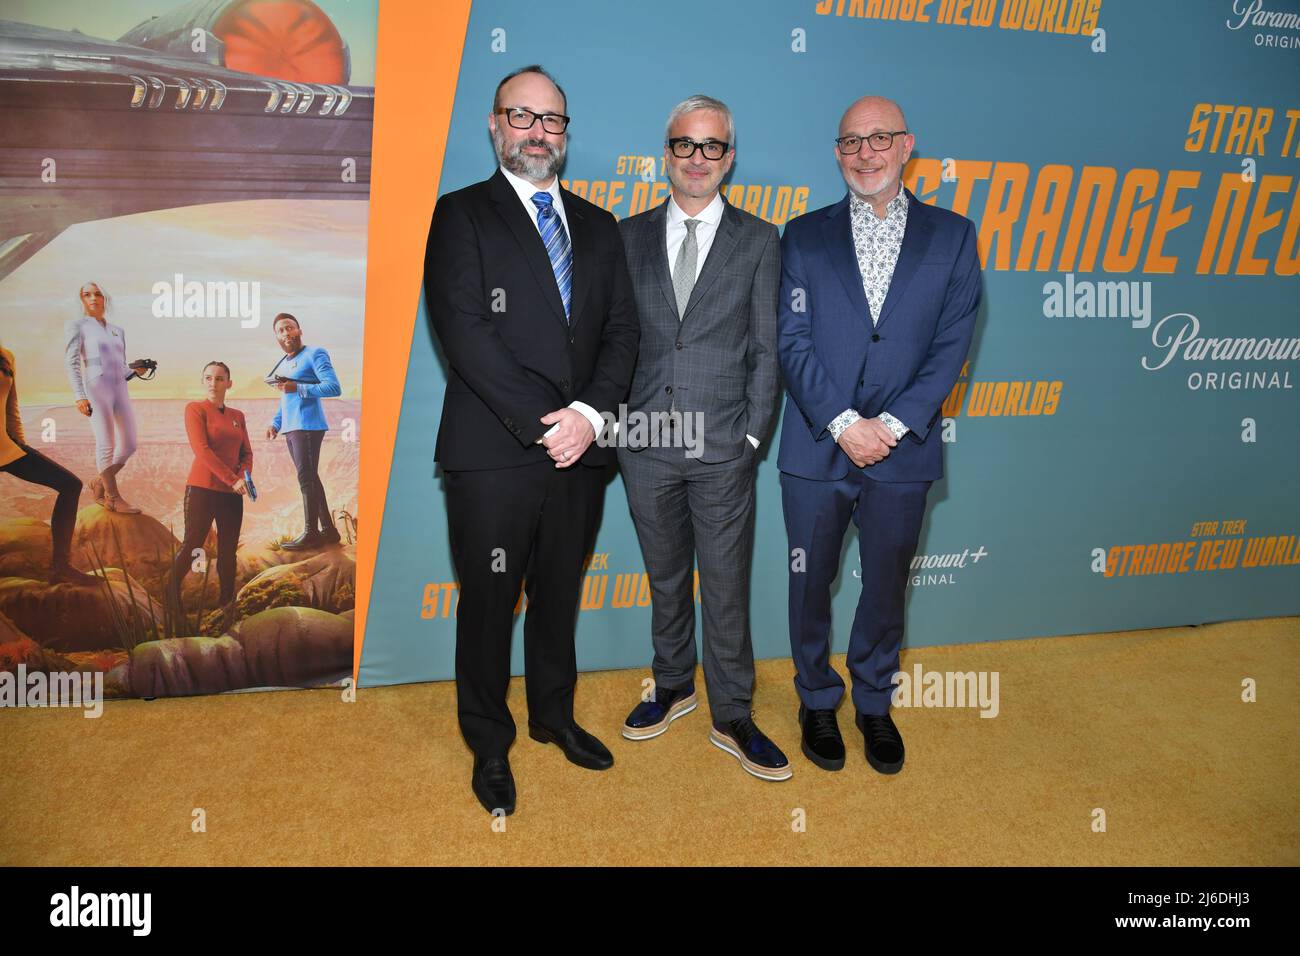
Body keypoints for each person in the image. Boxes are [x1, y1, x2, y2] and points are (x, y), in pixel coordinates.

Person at [423, 64, 639, 816]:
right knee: (489, 601)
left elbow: (621, 335)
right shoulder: (461, 216)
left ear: (565, 134)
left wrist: (587, 417)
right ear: (494, 125)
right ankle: (489, 743)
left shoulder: (600, 225)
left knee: (558, 596)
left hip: (582, 452)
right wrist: (548, 423)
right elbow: (466, 335)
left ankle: (553, 714)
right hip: (495, 452)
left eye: (552, 120)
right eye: (523, 116)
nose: (538, 132)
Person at [776, 96, 980, 775]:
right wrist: (842, 423)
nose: (866, 152)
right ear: (837, 154)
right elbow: (792, 338)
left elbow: (952, 343)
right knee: (810, 583)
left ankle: (872, 703)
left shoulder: (952, 236)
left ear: (906, 145)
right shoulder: (802, 236)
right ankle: (815, 697)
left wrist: (888, 427)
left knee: (887, 584)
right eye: (852, 142)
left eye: (880, 138)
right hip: (815, 446)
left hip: (905, 450)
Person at [616, 96, 788, 781]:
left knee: (723, 584)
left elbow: (768, 352)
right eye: (684, 145)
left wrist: (750, 439)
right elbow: (611, 339)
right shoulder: (624, 236)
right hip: (646, 440)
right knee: (664, 578)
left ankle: (734, 712)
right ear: (666, 155)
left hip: (723, 447)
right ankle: (672, 684)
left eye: (711, 146)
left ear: (729, 158)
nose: (697, 158)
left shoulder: (760, 240)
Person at [0, 344, 97, 586]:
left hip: (5, 448)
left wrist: (21, 446)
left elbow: (11, 409)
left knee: (70, 485)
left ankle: (60, 567)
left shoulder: (5, 355)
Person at [168, 361, 252, 621]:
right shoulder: (195, 409)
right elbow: (201, 450)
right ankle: (170, 598)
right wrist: (231, 479)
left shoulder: (238, 416)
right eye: (208, 378)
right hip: (202, 489)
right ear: (203, 382)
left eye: (219, 378)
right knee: (193, 543)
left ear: (229, 383)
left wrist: (243, 477)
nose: (213, 383)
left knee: (228, 551)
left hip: (232, 494)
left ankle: (227, 604)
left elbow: (246, 452)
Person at [64, 282, 144, 513]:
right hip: (96, 388)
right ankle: (112, 497)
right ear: (81, 300)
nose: (93, 298)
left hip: (120, 388)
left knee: (129, 445)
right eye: (86, 294)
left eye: (97, 294)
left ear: (104, 299)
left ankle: (99, 481)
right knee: (106, 443)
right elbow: (72, 362)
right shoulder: (77, 326)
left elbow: (121, 367)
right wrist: (79, 396)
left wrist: (137, 370)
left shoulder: (118, 330)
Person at [265, 313, 341, 550]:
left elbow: (333, 387)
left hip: (307, 426)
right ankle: (328, 531)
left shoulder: (315, 353)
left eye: (290, 328)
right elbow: (285, 397)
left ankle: (312, 534)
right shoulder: (283, 362)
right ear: (276, 336)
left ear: (299, 330)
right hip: (291, 428)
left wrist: (297, 387)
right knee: (310, 477)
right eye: (281, 330)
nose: (286, 333)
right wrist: (276, 423)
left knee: (306, 479)